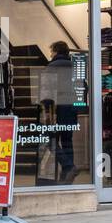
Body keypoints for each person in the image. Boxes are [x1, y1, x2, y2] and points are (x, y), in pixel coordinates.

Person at [40, 41, 79, 183]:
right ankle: (68, 175)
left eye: (51, 51)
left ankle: (68, 166)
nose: (50, 54)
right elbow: (82, 86)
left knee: (49, 139)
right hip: (72, 108)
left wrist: (47, 109)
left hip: (56, 110)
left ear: (56, 51)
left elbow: (46, 91)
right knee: (67, 141)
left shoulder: (51, 67)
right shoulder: (75, 67)